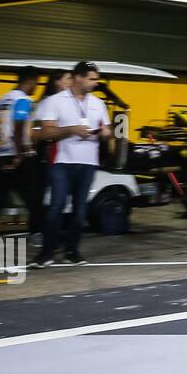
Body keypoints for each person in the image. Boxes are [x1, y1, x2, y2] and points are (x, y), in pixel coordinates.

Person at [32, 61, 112, 267]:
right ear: (78, 77)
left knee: (80, 210)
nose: (95, 83)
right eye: (91, 78)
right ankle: (46, 253)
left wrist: (105, 133)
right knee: (56, 206)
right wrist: (70, 130)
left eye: (96, 79)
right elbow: (46, 132)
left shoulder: (98, 103)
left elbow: (108, 130)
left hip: (88, 163)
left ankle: (72, 251)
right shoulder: (56, 101)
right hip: (62, 161)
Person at [0, 66, 40, 243]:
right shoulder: (23, 100)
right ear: (30, 81)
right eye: (36, 83)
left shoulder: (1, 100)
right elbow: (17, 127)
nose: (36, 86)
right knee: (34, 197)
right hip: (12, 154)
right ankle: (38, 234)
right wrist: (20, 155)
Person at [26, 69, 70, 248]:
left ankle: (53, 231)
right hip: (46, 156)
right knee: (44, 196)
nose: (71, 82)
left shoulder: (69, 103)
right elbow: (35, 133)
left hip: (62, 156)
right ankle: (38, 231)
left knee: (57, 197)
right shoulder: (47, 103)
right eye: (68, 79)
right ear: (57, 82)